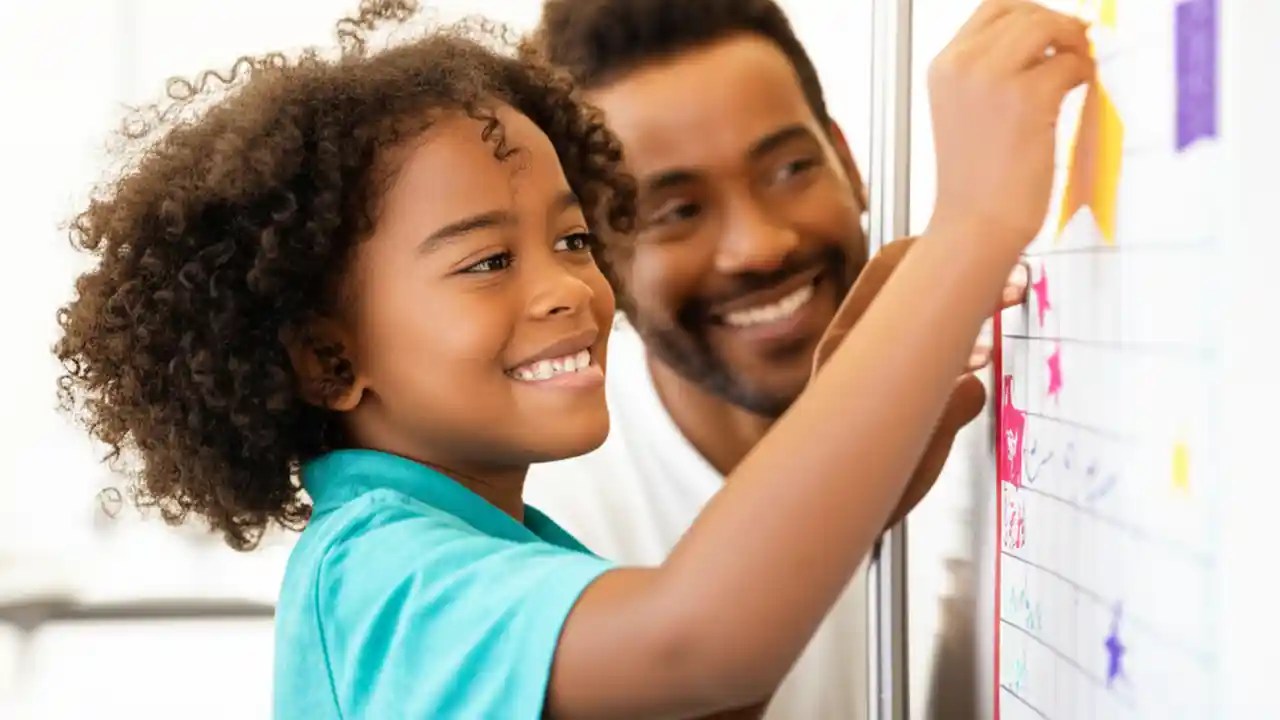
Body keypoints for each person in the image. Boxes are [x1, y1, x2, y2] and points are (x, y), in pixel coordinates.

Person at [55, 0, 1092, 717]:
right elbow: (703, 643)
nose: (565, 288)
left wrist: (856, 450)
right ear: (330, 358)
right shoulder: (385, 576)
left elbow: (706, 702)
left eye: (570, 240)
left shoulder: (500, 543)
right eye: (488, 261)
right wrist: (972, 224)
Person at [525, 1, 1030, 715]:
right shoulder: (544, 519)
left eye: (789, 168)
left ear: (848, 164)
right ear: (598, 256)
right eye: (677, 211)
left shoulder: (974, 429)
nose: (759, 245)